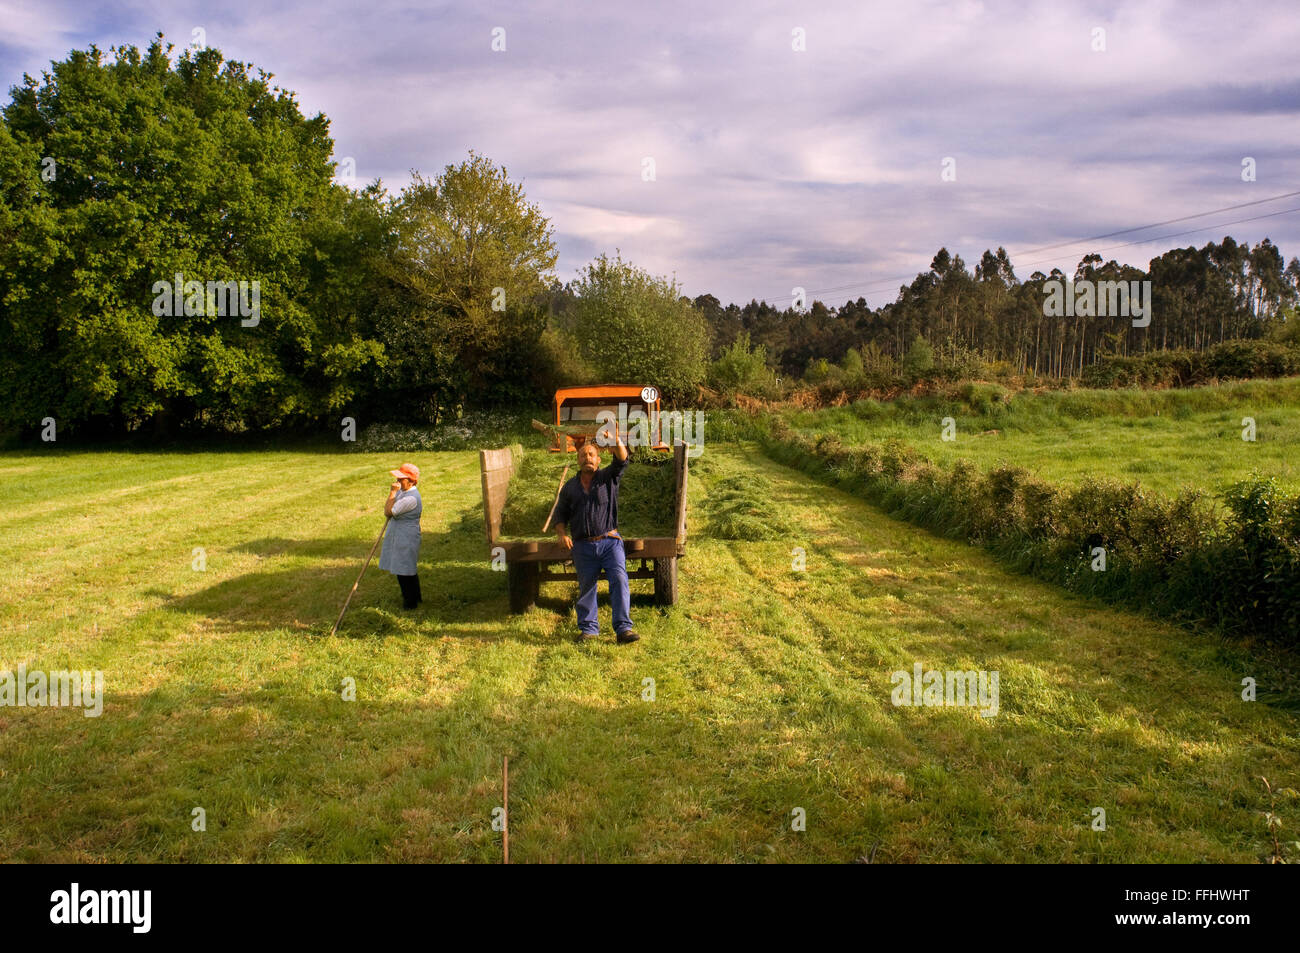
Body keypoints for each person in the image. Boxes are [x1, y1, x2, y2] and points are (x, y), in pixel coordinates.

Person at [553, 427, 640, 643]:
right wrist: (561, 534)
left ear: (598, 460)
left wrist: (616, 440)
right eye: (583, 455)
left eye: (591, 454)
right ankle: (589, 630)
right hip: (582, 546)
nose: (587, 458)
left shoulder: (607, 478)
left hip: (610, 542)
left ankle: (623, 629)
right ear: (578, 460)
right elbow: (560, 513)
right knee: (586, 587)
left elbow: (622, 459)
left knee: (619, 580)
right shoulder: (570, 488)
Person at [379, 463, 422, 609]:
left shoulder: (411, 499)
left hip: (406, 536)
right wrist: (396, 492)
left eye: (401, 479)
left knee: (404, 569)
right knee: (404, 566)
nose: (397, 481)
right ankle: (415, 596)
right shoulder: (404, 492)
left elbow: (388, 512)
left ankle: (410, 602)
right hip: (400, 534)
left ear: (412, 481)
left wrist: (392, 492)